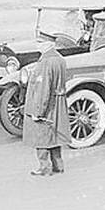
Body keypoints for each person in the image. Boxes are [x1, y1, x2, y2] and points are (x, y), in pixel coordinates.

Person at [24, 44, 69, 177]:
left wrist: (38, 112)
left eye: (40, 42)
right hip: (58, 102)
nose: (38, 45)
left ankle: (44, 167)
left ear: (46, 45)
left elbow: (42, 89)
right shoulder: (60, 59)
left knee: (41, 136)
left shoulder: (45, 63)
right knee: (54, 135)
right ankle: (58, 165)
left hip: (47, 104)